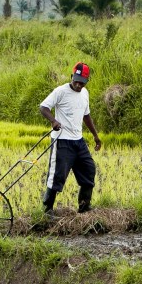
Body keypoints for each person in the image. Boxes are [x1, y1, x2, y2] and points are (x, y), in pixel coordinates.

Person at [39, 62, 101, 216]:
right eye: (76, 80)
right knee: (57, 176)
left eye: (82, 82)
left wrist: (95, 136)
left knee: (89, 170)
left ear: (87, 81)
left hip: (78, 141)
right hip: (62, 141)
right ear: (72, 76)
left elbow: (86, 116)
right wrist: (53, 121)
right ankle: (47, 210)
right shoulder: (60, 91)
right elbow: (43, 107)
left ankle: (84, 207)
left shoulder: (85, 93)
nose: (79, 84)